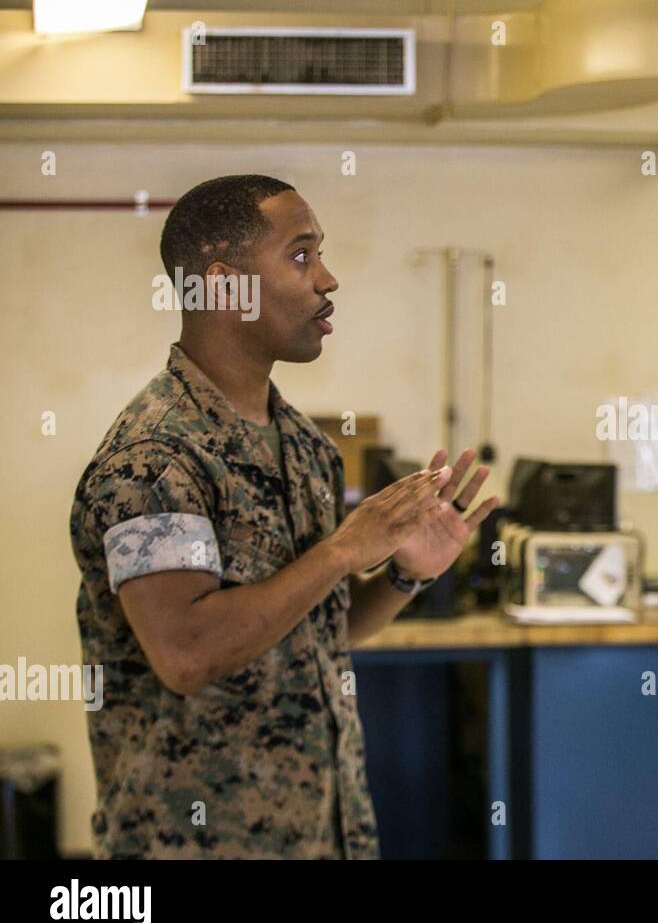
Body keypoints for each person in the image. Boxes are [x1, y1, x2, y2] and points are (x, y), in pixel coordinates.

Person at [69, 174, 498, 858]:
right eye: (301, 255)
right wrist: (342, 551)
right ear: (222, 284)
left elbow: (318, 632)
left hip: (325, 834)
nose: (328, 279)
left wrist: (405, 576)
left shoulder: (304, 446)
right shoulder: (155, 459)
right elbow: (187, 653)